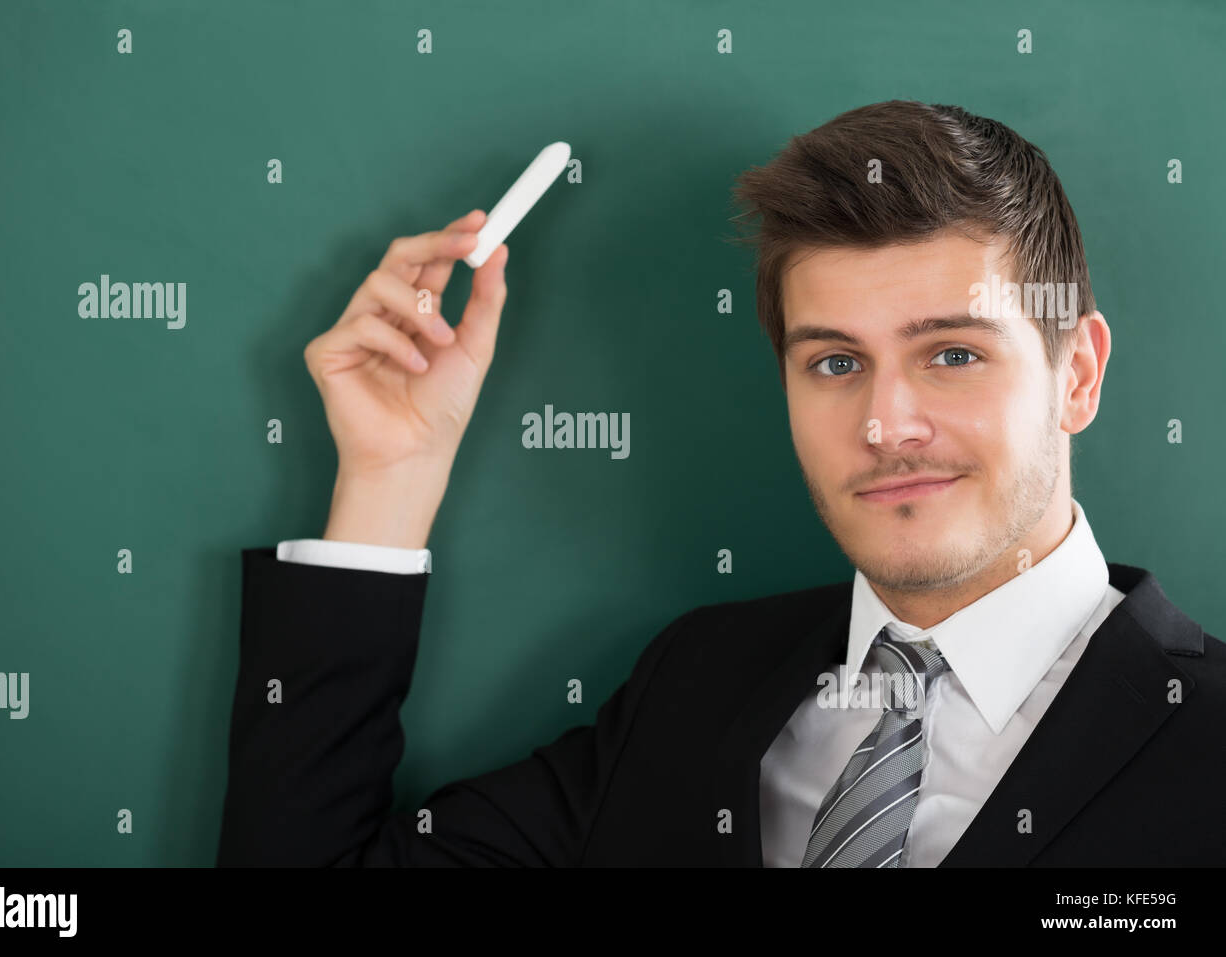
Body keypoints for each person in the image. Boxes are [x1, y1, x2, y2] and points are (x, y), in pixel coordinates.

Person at [216, 100, 1225, 867]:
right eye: (833, 362)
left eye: (953, 354)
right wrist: (389, 477)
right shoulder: (694, 685)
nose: (885, 425)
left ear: (1077, 374)